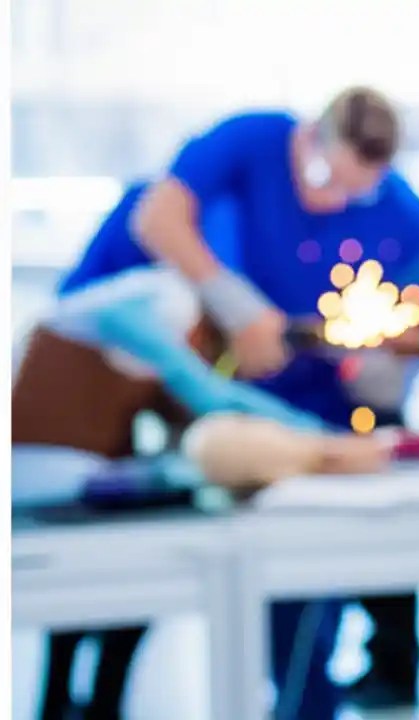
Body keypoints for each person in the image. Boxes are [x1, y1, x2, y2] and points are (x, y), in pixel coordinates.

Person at [54, 87, 419, 717]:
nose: (333, 203)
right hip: (161, 394)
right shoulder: (245, 147)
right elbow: (160, 232)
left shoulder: (389, 199)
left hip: (275, 396)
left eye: (355, 194)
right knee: (126, 564)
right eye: (327, 181)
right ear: (310, 138)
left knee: (299, 588)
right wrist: (240, 313)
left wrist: (395, 354)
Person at [11, 267, 347, 720]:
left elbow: (190, 413)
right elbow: (205, 394)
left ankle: (93, 705)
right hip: (37, 474)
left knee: (130, 587)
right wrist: (322, 438)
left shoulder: (162, 336)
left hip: (77, 482)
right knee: (136, 569)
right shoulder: (154, 302)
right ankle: (84, 706)